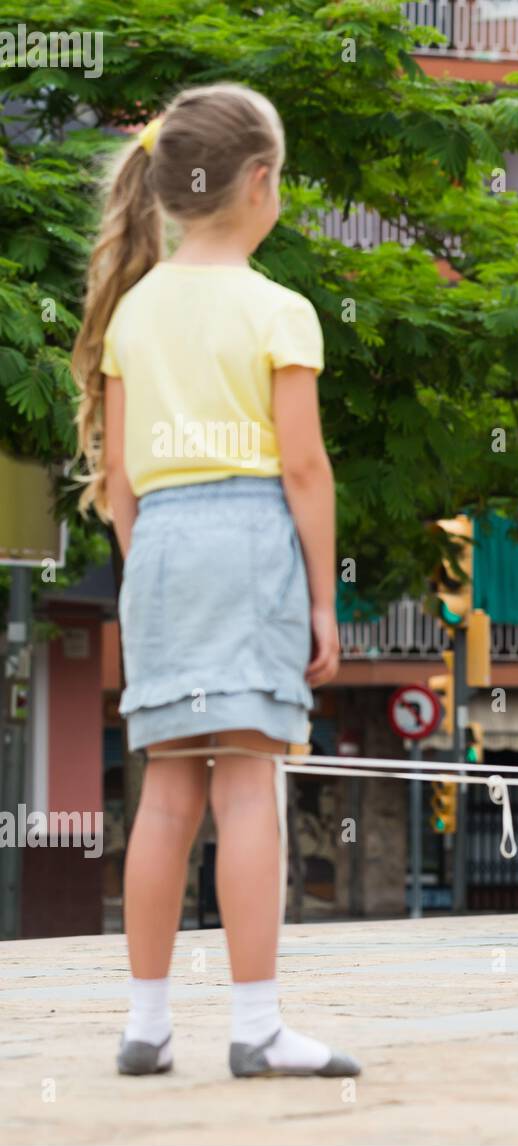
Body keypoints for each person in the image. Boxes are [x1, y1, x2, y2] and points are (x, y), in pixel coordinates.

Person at [71, 83, 358, 1074]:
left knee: (164, 792)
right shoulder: (280, 310)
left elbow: (115, 482)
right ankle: (254, 1025)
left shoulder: (130, 311)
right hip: (247, 538)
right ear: (260, 182)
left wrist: (151, 561)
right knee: (247, 785)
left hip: (155, 546)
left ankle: (146, 1025)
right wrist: (322, 597)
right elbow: (305, 468)